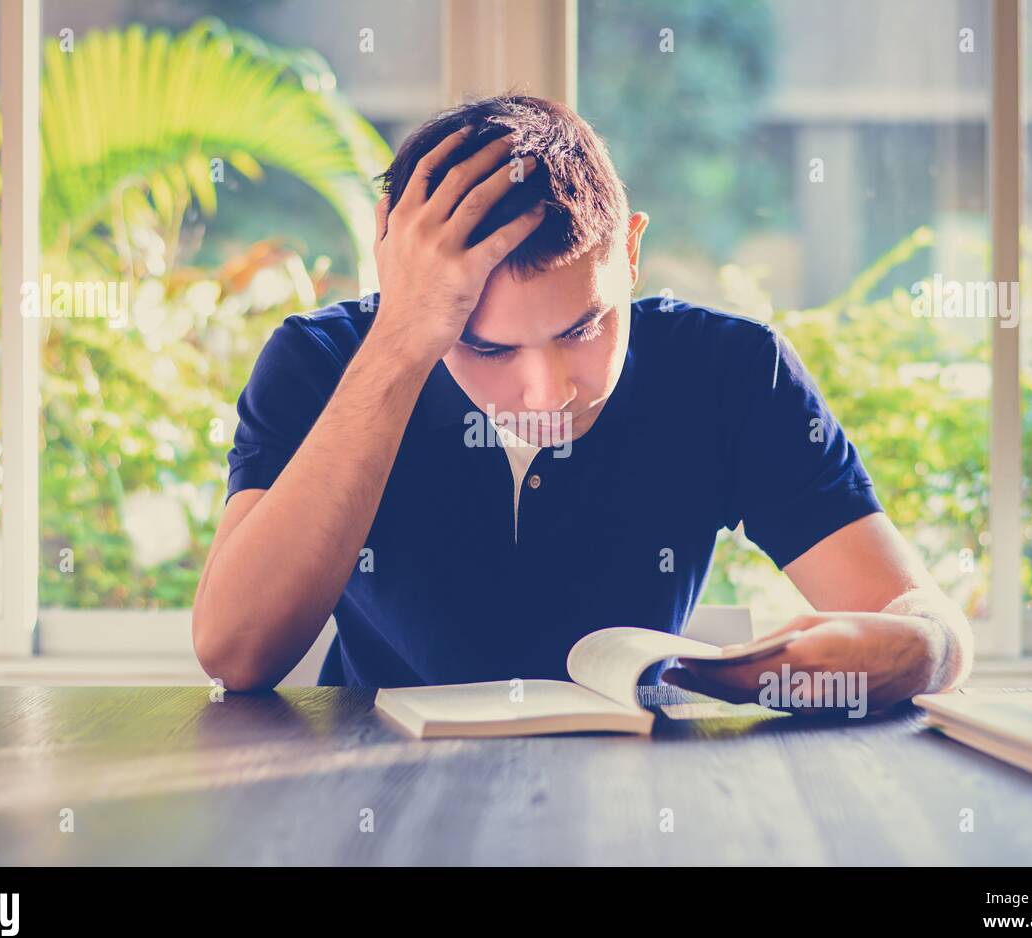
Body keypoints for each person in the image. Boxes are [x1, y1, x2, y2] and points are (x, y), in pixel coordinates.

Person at [192, 94, 972, 713]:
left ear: (630, 252)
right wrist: (399, 346)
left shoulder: (732, 372)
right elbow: (236, 653)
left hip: (633, 802)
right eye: (486, 346)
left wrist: (923, 651)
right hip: (375, 802)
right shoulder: (320, 364)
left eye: (585, 326)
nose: (550, 391)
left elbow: (922, 618)